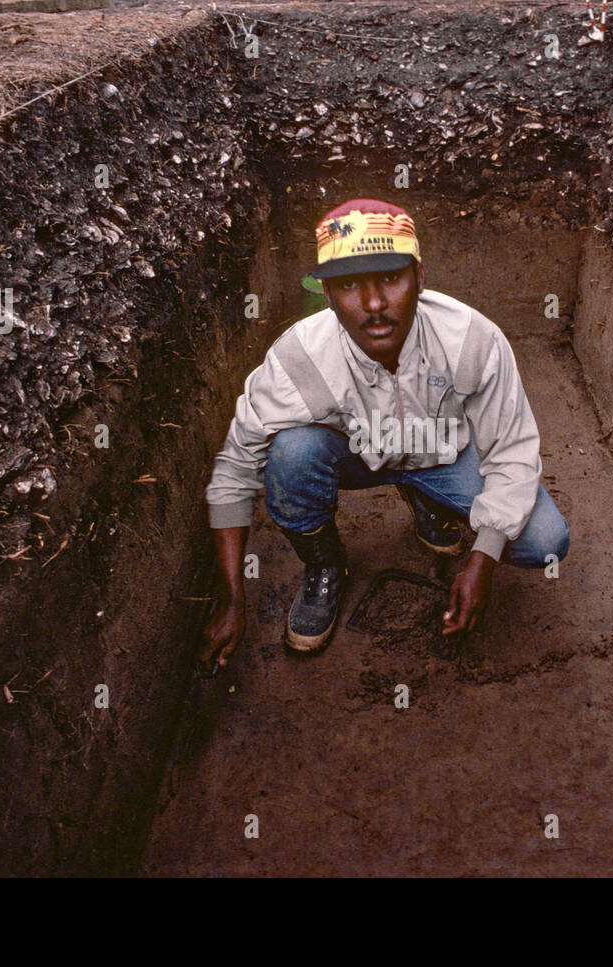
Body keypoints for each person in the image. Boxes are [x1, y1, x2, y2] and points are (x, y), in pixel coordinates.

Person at [200, 198, 569, 665]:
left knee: (544, 540)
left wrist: (483, 559)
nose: (374, 305)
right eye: (350, 284)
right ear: (328, 294)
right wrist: (232, 597)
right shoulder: (299, 360)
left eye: (390, 278)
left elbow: (513, 448)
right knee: (291, 453)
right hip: (359, 456)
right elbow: (235, 468)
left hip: (443, 454)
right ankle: (324, 564)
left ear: (419, 277)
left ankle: (427, 496)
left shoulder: (472, 339)